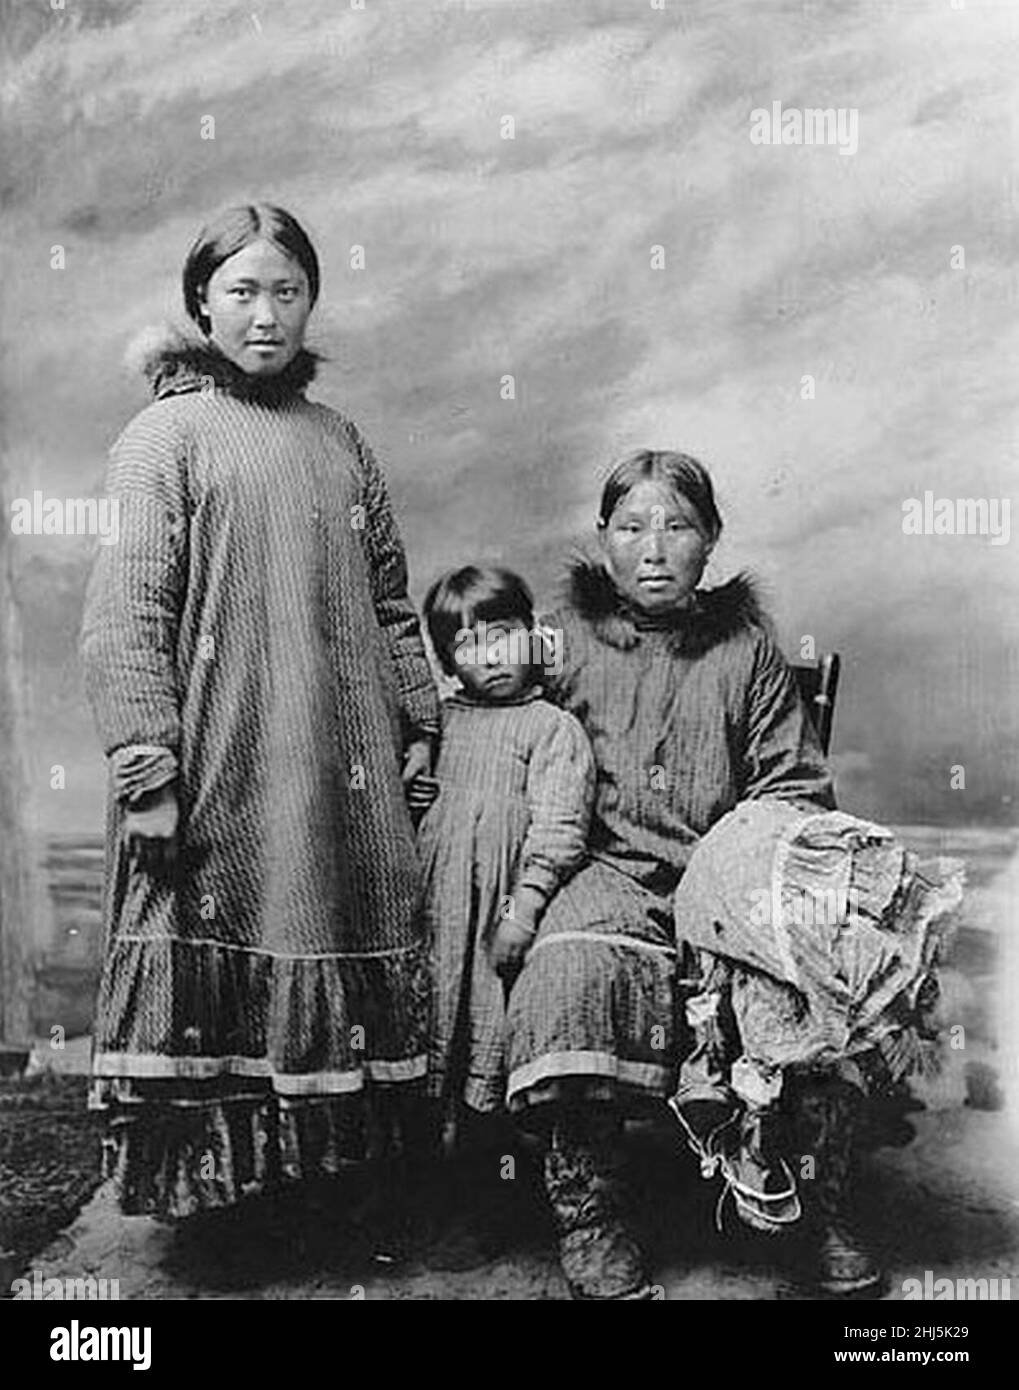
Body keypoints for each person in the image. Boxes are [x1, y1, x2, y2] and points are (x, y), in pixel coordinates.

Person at [504, 449, 962, 1300]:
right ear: (601, 538)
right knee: (570, 968)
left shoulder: (744, 651)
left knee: (814, 969)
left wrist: (734, 869)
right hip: (604, 869)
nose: (653, 550)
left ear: (709, 541)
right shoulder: (561, 643)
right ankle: (593, 1214)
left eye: (677, 527)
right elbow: (503, 735)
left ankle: (806, 1204)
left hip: (723, 878)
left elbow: (793, 784)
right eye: (632, 527)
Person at [80, 203, 440, 1221]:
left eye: (287, 291)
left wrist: (418, 728)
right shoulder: (163, 437)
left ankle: (315, 1194)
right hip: (220, 757)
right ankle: (217, 1208)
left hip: (339, 761)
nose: (267, 315)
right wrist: (148, 771)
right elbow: (125, 613)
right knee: (216, 939)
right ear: (201, 302)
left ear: (311, 299)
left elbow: (387, 604)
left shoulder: (337, 440)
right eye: (242, 291)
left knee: (332, 930)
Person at [418, 565, 595, 1121]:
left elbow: (559, 828)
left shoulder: (551, 727)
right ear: (446, 662)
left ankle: (484, 1164)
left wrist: (523, 909)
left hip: (496, 907)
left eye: (504, 639)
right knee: (424, 1016)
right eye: (468, 647)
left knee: (485, 1020)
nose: (491, 658)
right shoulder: (438, 725)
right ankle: (414, 1159)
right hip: (430, 905)